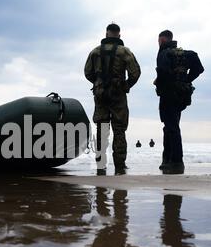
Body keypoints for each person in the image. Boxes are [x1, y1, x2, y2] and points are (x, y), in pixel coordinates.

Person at [85, 23, 141, 173]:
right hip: (118, 95)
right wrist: (126, 85)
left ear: (106, 33)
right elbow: (135, 73)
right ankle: (120, 166)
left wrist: (98, 83)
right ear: (119, 35)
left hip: (100, 94)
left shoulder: (95, 51)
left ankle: (101, 164)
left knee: (102, 128)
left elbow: (87, 72)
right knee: (119, 130)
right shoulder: (124, 51)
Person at [154, 30, 204, 174]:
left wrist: (160, 83)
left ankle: (176, 161)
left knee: (172, 127)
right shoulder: (186, 54)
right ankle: (168, 160)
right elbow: (199, 68)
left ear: (162, 40)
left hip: (168, 95)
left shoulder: (163, 53)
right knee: (170, 125)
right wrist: (186, 80)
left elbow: (163, 71)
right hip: (181, 95)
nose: (158, 44)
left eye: (158, 41)